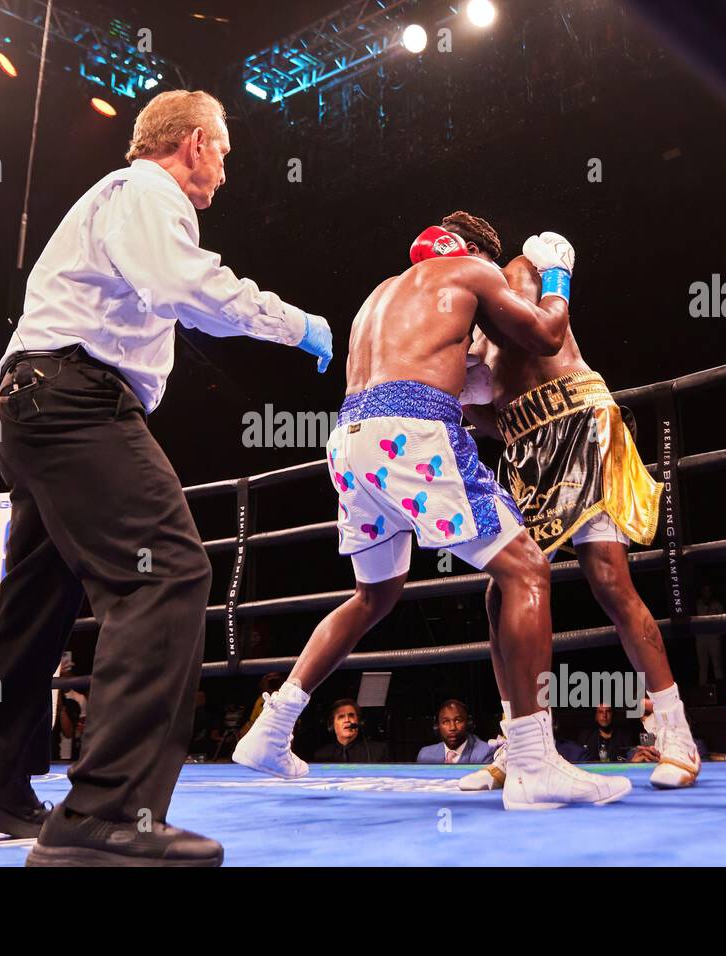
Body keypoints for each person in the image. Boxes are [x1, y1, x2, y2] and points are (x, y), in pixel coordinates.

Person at [0, 90, 331, 867]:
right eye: (222, 151)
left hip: (29, 408)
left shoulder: (114, 200)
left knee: (38, 601)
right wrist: (294, 323)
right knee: (169, 573)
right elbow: (186, 289)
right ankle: (109, 812)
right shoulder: (147, 191)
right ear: (192, 144)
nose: (224, 172)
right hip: (73, 403)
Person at [234, 213, 631, 809]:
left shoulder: (382, 294)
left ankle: (272, 725)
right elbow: (548, 335)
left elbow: (442, 377)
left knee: (375, 595)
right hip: (410, 431)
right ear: (476, 253)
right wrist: (557, 274)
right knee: (526, 570)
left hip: (349, 438)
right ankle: (531, 763)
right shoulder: (472, 271)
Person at [459, 242, 700, 790]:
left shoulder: (515, 274)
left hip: (576, 420)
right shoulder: (467, 327)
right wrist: (467, 377)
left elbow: (540, 334)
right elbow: (491, 419)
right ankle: (518, 744)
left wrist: (554, 279)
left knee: (609, 579)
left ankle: (675, 735)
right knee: (500, 594)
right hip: (526, 446)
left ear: (474, 253)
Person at [416, 699, 496, 764]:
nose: (452, 727)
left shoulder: (485, 753)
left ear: (468, 724)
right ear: (437, 727)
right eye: (446, 721)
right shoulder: (425, 755)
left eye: (458, 721)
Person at [312, 700, 387, 763]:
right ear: (332, 725)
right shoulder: (322, 755)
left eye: (351, 715)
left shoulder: (378, 751)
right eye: (341, 717)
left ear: (358, 722)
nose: (347, 720)